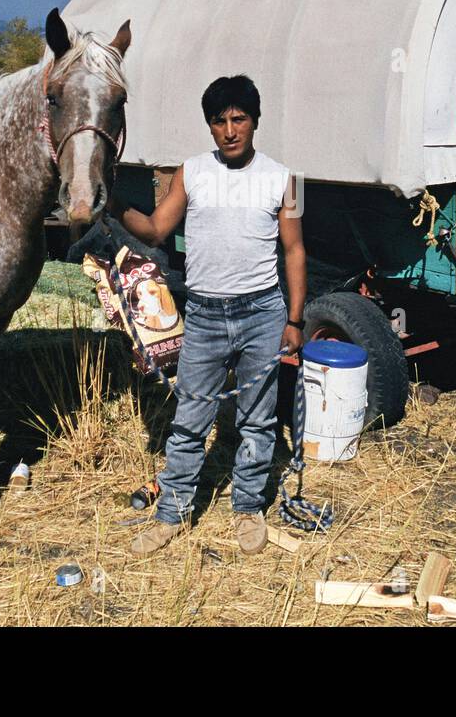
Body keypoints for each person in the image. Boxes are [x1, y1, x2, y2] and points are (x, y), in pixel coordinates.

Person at [108, 74, 306, 556]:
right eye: (219, 121)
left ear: (255, 121)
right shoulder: (191, 172)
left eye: (239, 118)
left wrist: (294, 320)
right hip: (206, 315)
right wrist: (110, 204)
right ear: (210, 127)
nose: (230, 130)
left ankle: (247, 508)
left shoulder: (286, 178)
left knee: (258, 421)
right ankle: (171, 514)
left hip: (262, 313)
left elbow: (295, 250)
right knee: (191, 418)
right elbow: (155, 229)